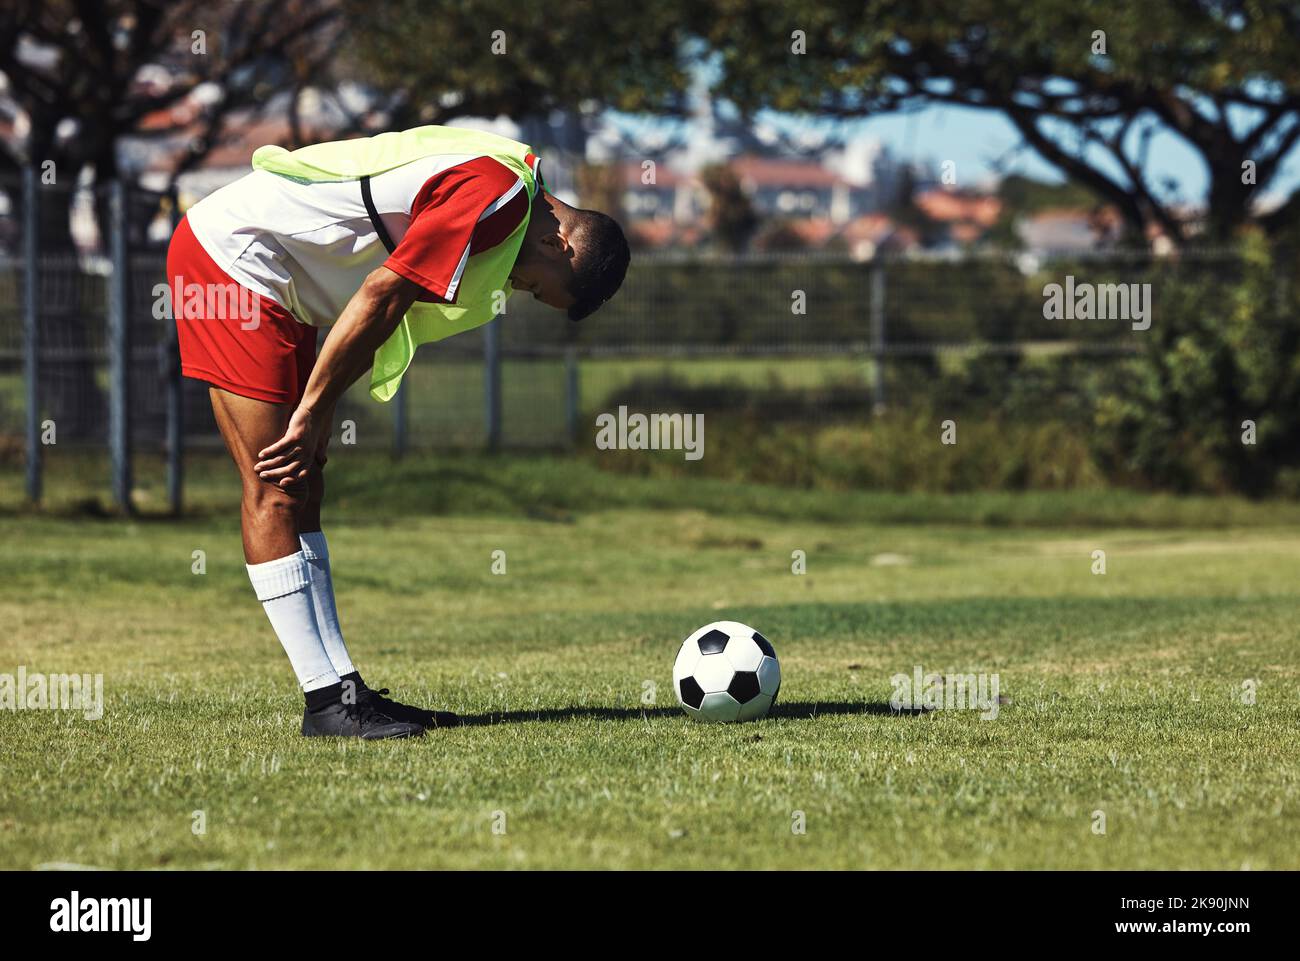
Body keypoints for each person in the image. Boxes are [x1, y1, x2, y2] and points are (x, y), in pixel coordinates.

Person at [165, 125, 630, 738]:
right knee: (275, 485)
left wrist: (319, 412)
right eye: (535, 285)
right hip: (230, 260)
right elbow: (384, 294)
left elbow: (384, 306)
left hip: (280, 282)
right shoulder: (496, 197)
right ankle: (327, 704)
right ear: (557, 240)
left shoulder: (512, 198)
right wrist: (309, 414)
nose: (517, 289)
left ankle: (343, 691)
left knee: (305, 483)